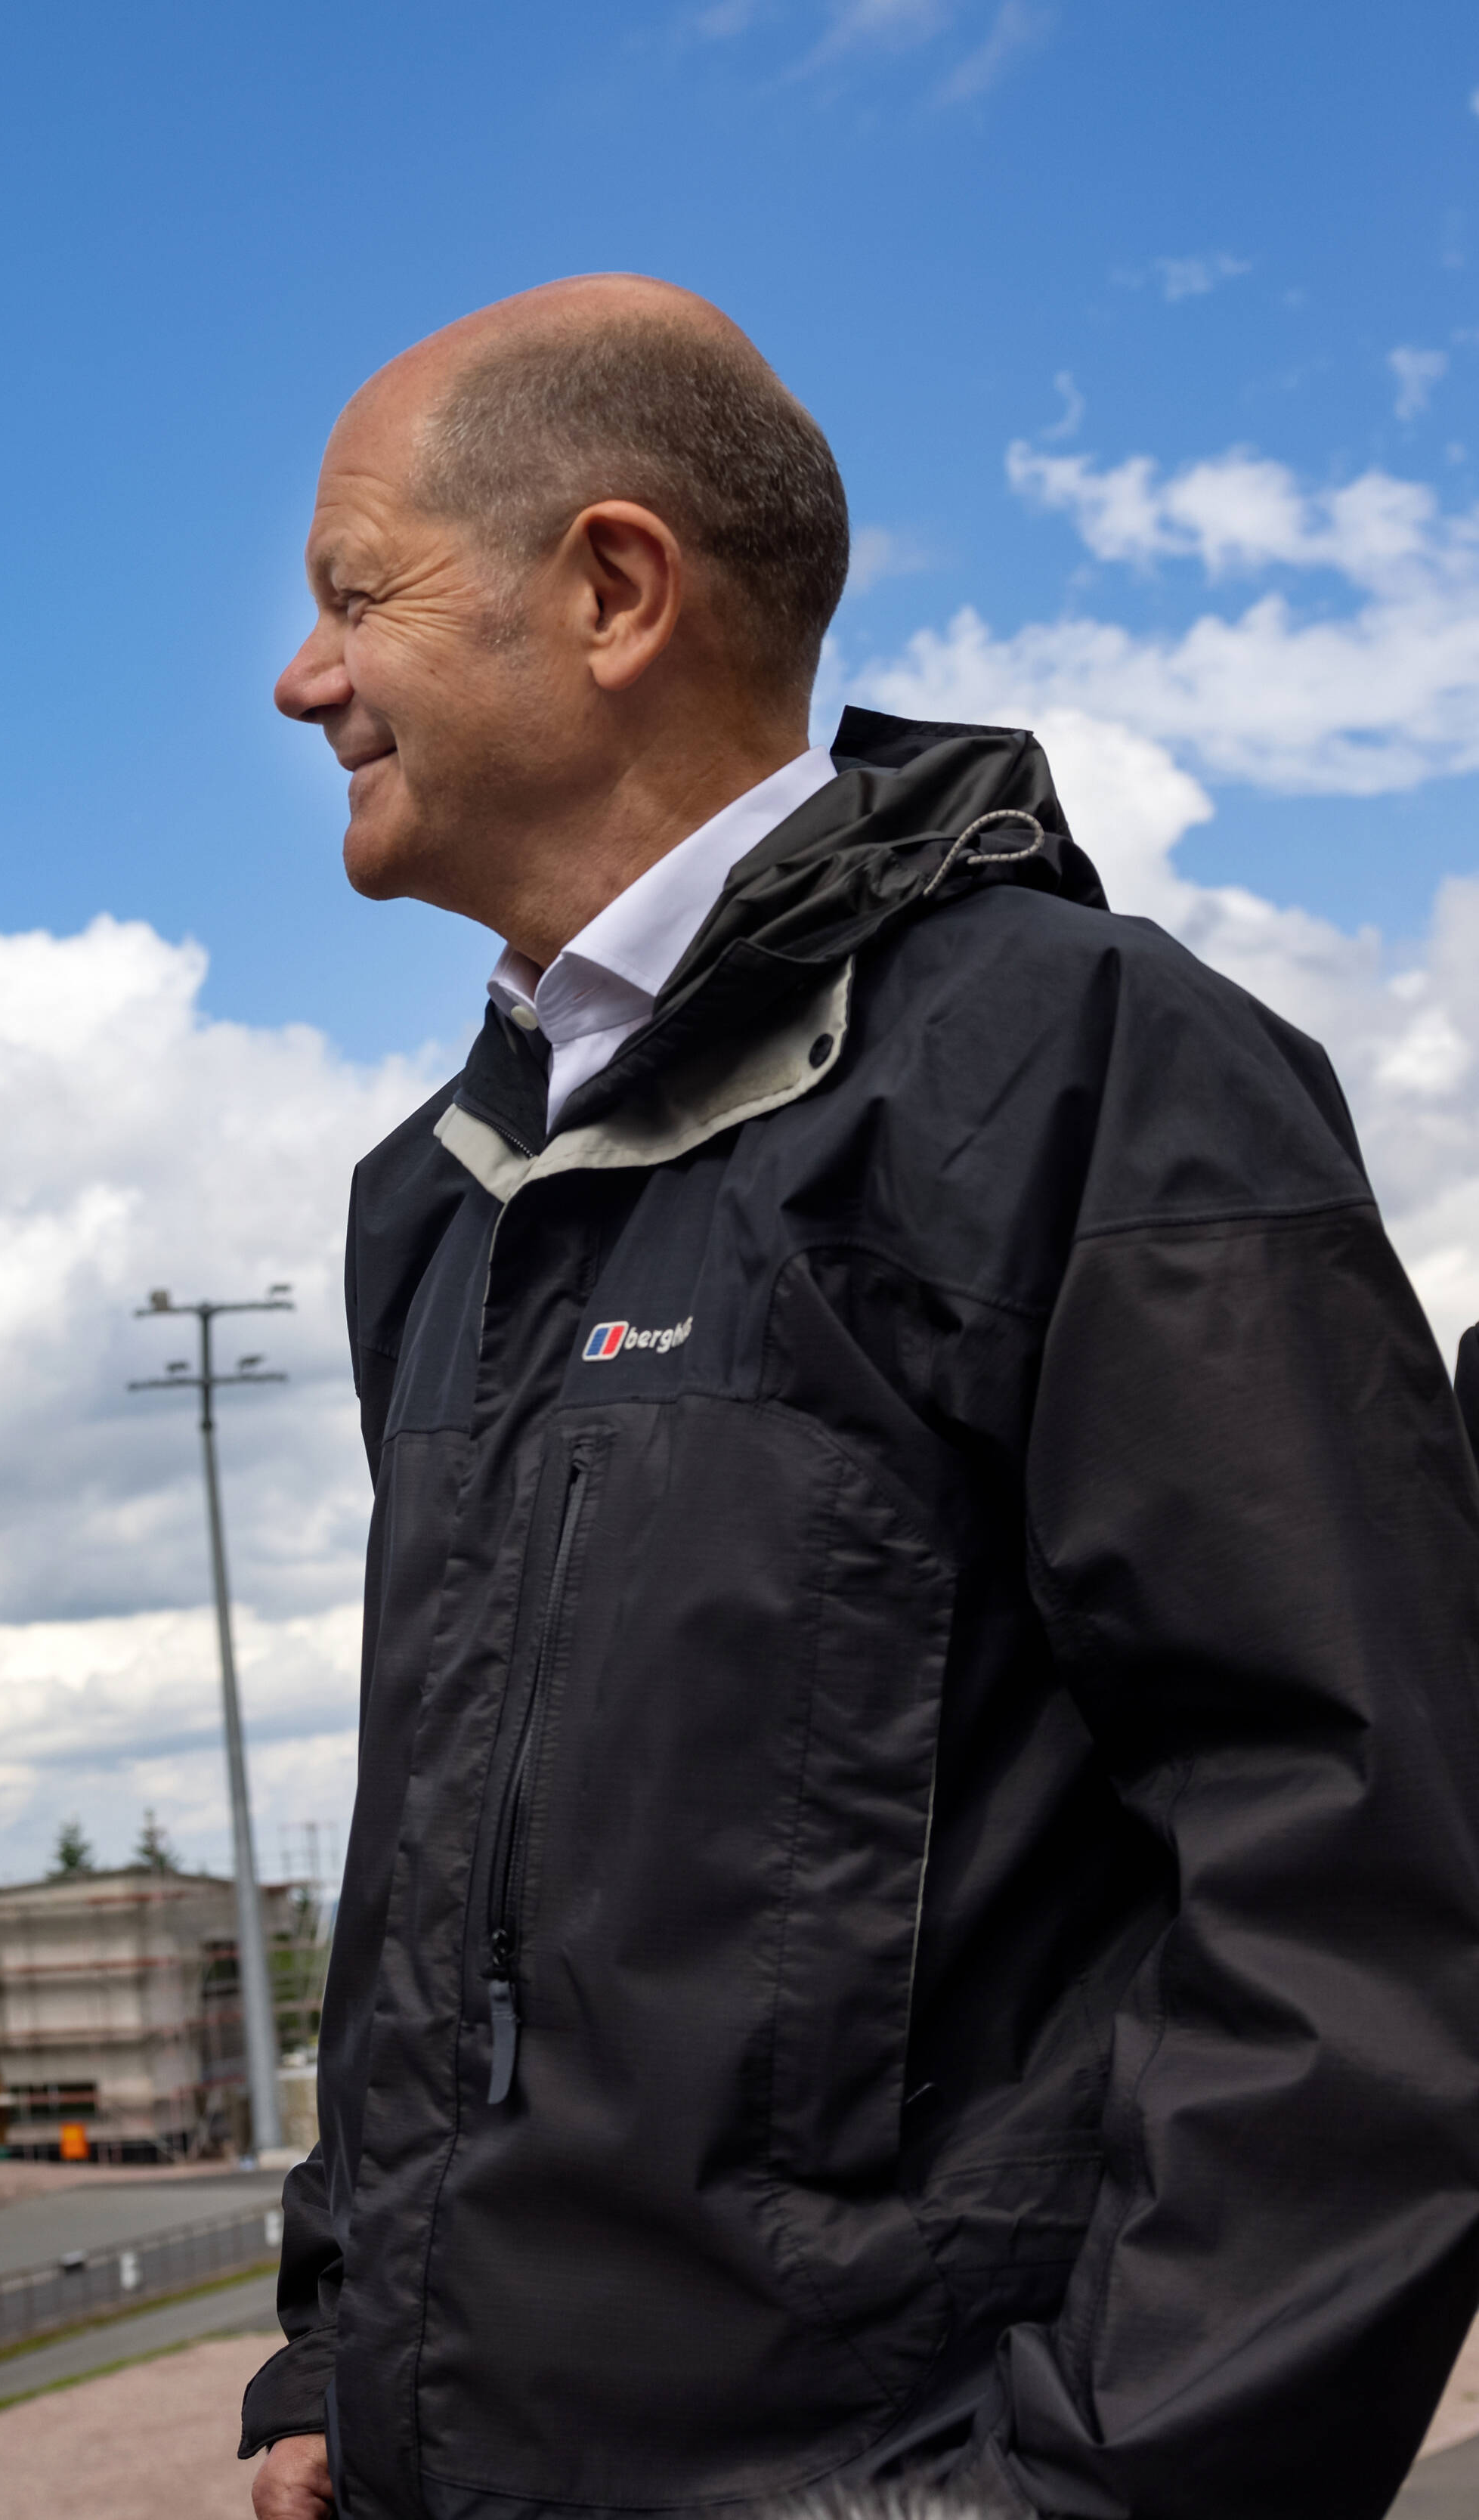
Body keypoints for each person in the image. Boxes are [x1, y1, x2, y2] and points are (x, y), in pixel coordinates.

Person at [246, 279, 1479, 2518]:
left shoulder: (1092, 1075)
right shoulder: (433, 1199)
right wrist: (333, 2360)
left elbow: (1373, 1901)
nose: (303, 678)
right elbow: (429, 1868)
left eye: (357, 595)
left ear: (615, 592)